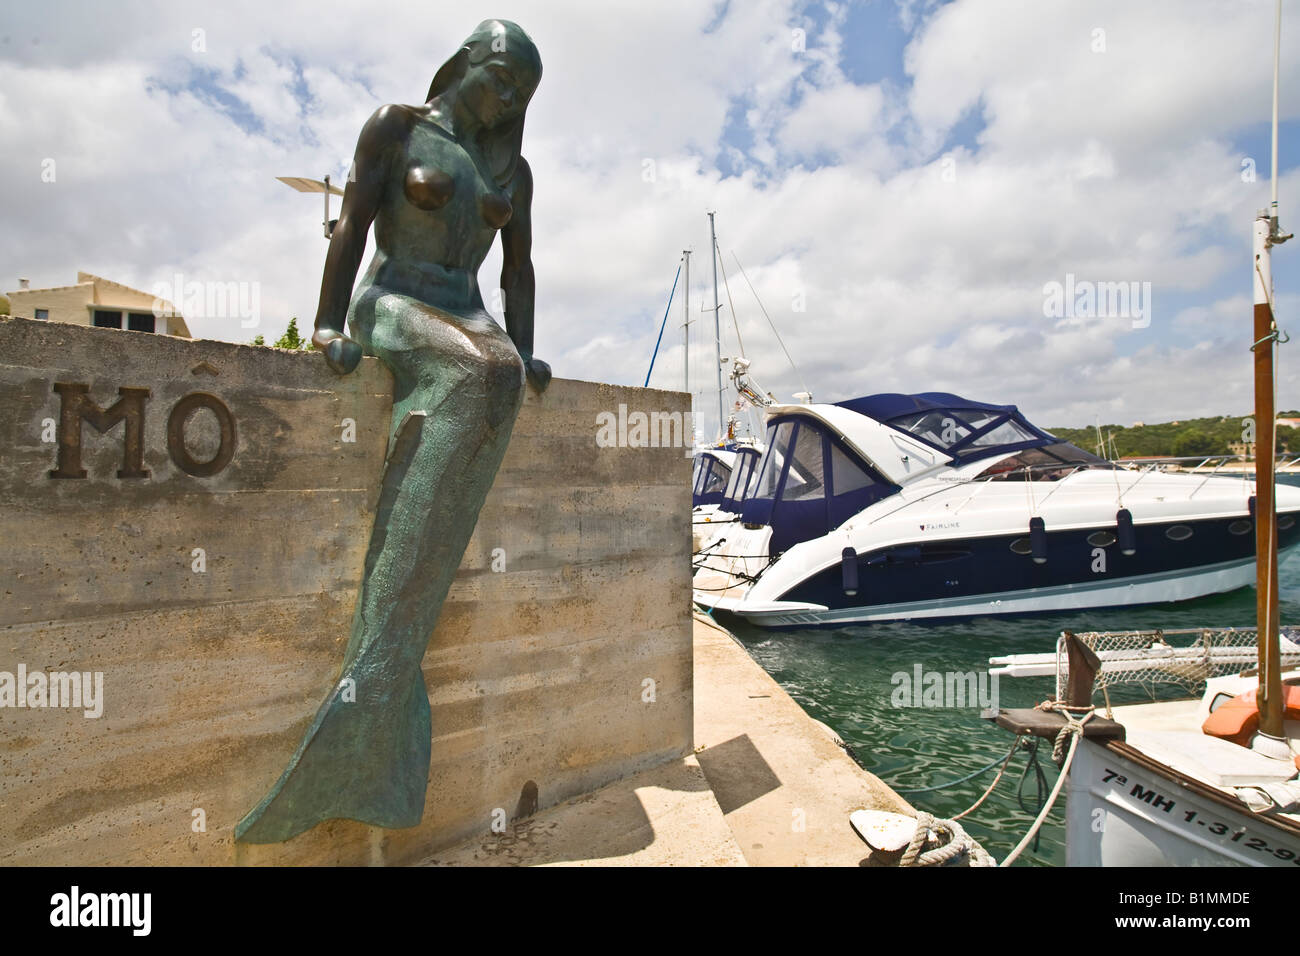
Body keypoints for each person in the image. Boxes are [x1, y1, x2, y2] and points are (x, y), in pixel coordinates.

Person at [237, 20, 545, 843]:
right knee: (482, 371)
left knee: (501, 371)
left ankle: (379, 679)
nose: (510, 97)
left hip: (465, 310)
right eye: (503, 76)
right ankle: (373, 677)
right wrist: (327, 322)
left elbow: (516, 269)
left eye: (526, 90)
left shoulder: (511, 170)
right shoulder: (397, 127)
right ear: (463, 63)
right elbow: (352, 221)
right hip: (391, 304)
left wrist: (530, 344)